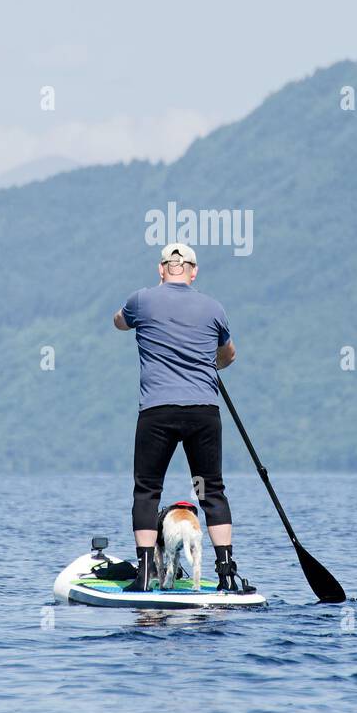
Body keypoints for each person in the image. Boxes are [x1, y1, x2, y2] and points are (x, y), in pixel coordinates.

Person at [113, 242, 241, 591]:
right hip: (203, 412)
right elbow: (228, 355)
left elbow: (119, 323)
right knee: (211, 490)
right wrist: (211, 363)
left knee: (147, 490)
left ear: (161, 269)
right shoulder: (213, 308)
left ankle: (143, 576)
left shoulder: (141, 300)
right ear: (193, 271)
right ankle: (226, 574)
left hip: (157, 412)